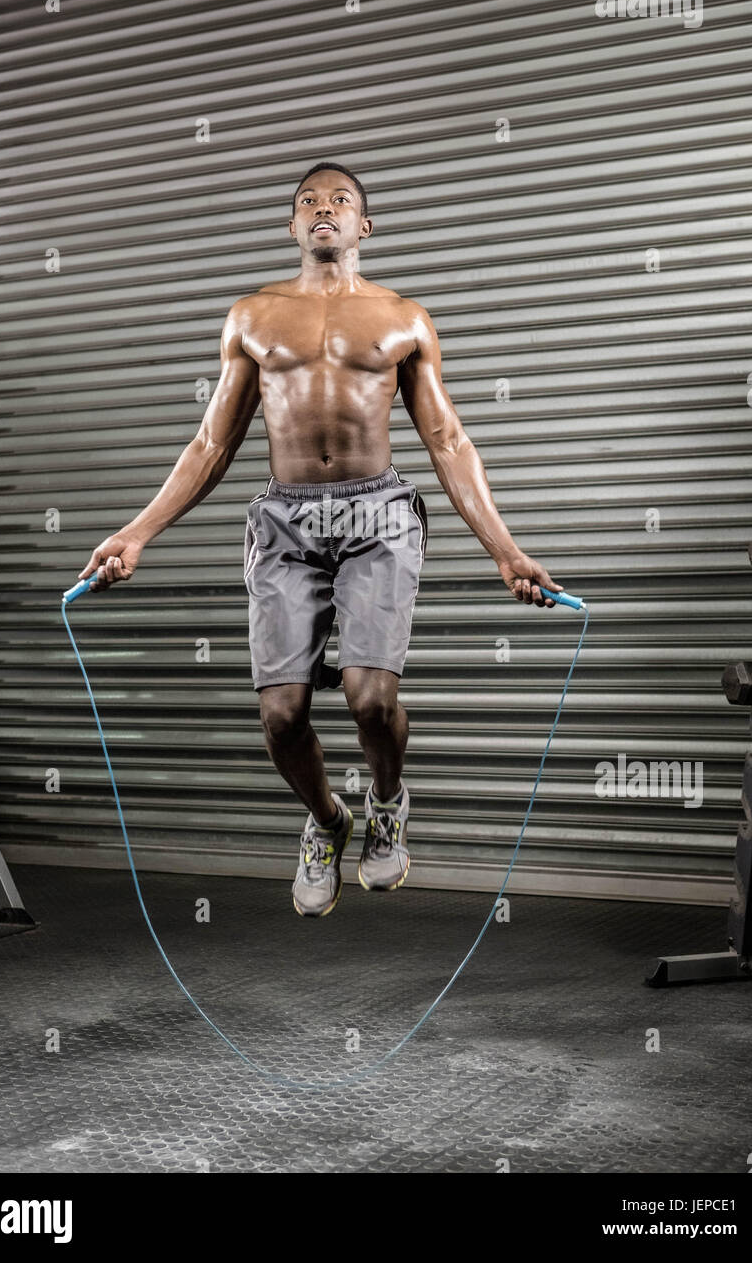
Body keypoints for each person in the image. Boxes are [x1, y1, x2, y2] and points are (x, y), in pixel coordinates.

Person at [79, 163, 563, 918]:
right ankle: (329, 821)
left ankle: (389, 800)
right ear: (293, 226)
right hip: (286, 519)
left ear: (364, 226)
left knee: (372, 701)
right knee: (281, 716)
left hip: (379, 516)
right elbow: (213, 442)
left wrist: (504, 549)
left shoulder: (404, 318)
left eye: (341, 200)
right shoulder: (253, 317)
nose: (324, 208)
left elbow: (447, 438)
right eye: (309, 201)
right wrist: (137, 533)